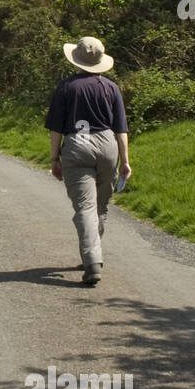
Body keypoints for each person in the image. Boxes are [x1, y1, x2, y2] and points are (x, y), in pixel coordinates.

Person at [44, 36, 131, 286]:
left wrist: (54, 158)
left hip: (77, 144)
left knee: (85, 207)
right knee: (100, 207)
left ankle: (92, 260)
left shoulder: (66, 87)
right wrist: (125, 161)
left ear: (77, 59)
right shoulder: (111, 88)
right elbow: (121, 129)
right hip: (107, 146)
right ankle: (92, 253)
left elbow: (56, 129)